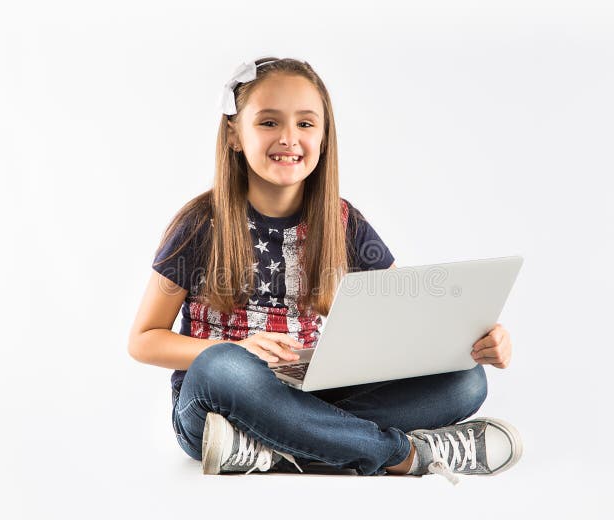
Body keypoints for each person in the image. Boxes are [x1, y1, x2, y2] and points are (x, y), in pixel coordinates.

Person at [128, 56, 522, 483]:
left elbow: (410, 320)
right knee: (223, 367)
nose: (288, 138)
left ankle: (274, 449)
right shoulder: (201, 224)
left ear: (324, 135)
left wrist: (478, 339)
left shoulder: (342, 222)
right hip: (220, 401)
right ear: (233, 135)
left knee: (466, 381)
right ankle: (403, 454)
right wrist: (237, 350)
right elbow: (144, 340)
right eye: (268, 123)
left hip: (310, 393)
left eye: (305, 124)